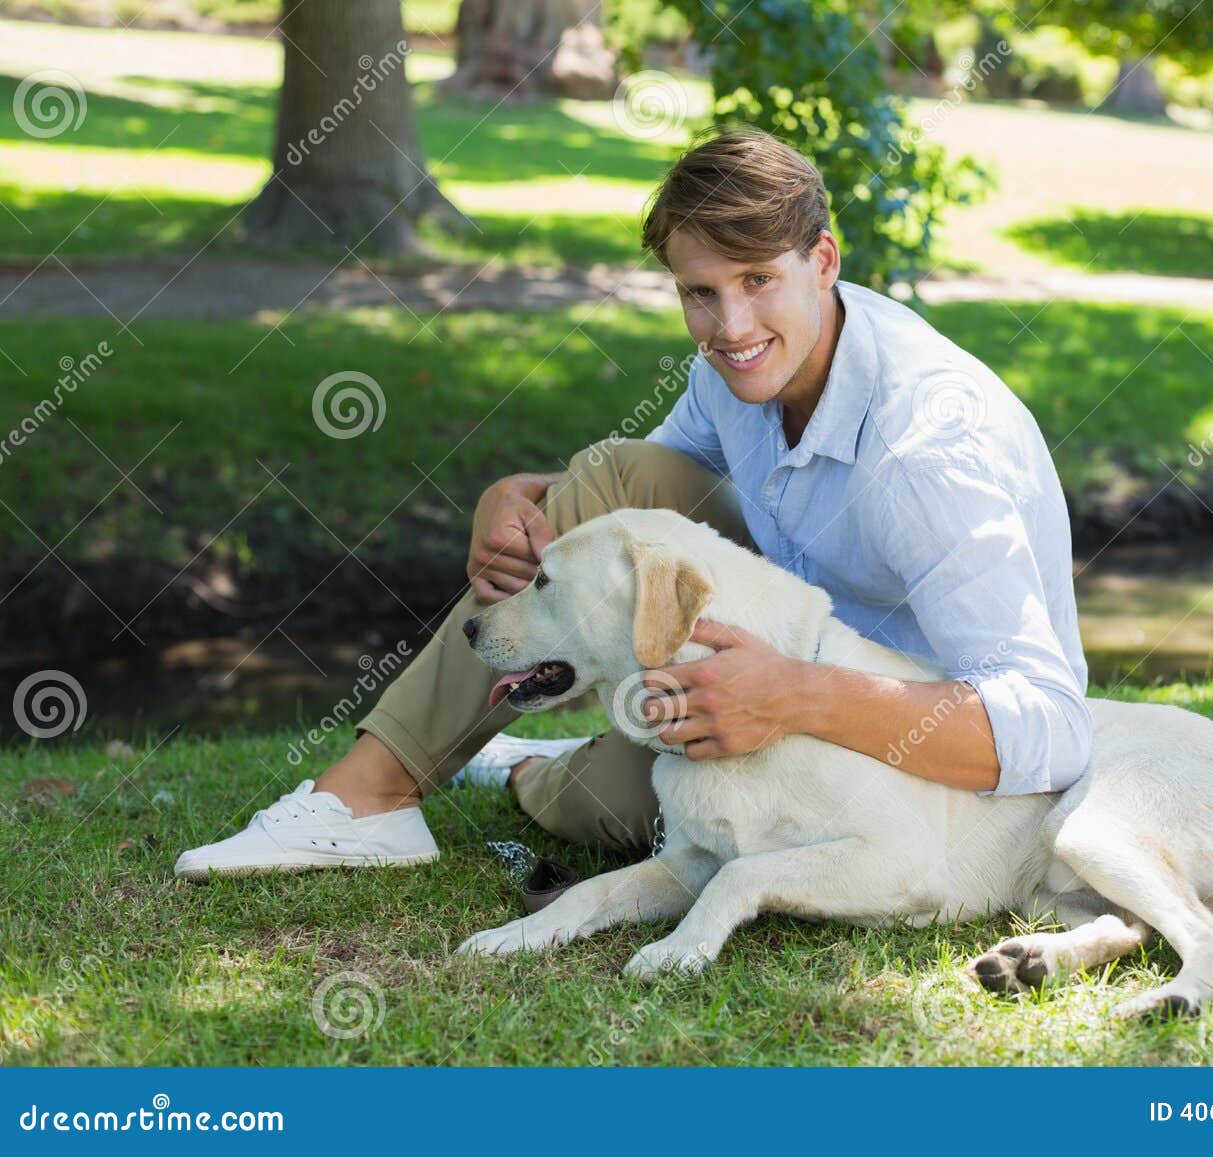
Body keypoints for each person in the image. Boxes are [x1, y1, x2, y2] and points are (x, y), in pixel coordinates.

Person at [174, 128, 1094, 880]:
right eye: (700, 294)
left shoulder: (927, 451)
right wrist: (518, 494)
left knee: (612, 808)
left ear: (822, 259)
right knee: (616, 471)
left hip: (896, 752)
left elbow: (1049, 726)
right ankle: (370, 794)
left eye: (757, 282)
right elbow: (626, 497)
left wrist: (798, 697)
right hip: (774, 658)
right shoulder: (736, 369)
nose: (730, 329)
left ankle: (530, 766)